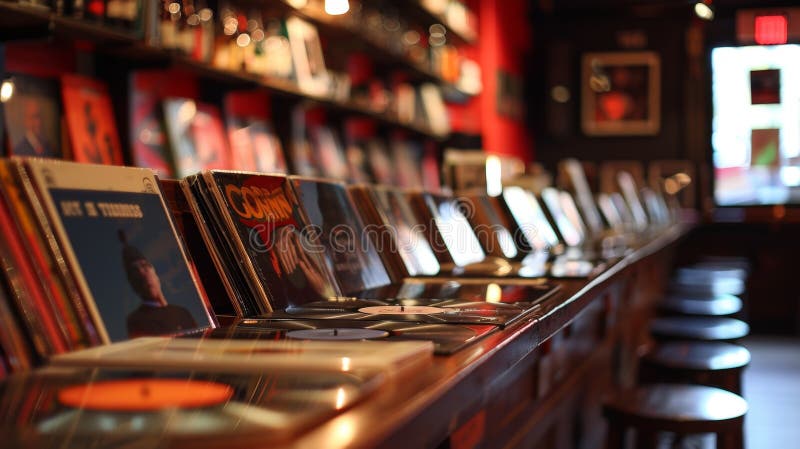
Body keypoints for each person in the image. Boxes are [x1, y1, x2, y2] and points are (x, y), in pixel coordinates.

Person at [119, 230, 197, 338]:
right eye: (135, 271)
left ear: (155, 272)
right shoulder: (136, 321)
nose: (142, 273)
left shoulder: (182, 312)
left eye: (145, 265)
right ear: (132, 283)